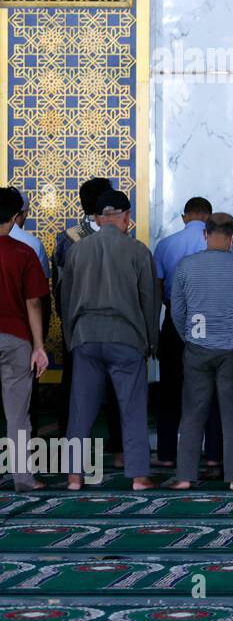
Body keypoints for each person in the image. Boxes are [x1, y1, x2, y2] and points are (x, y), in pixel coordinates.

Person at [61, 190, 160, 490]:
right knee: (132, 407)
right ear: (126, 217)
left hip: (86, 336)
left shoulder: (76, 251)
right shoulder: (139, 251)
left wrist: (70, 338)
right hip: (126, 338)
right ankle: (139, 476)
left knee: (81, 408)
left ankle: (74, 476)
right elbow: (149, 301)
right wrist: (151, 342)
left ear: (99, 218)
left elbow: (65, 300)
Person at [165, 213, 233, 491]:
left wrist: (189, 338)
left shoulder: (186, 266)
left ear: (205, 235)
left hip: (197, 348)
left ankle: (185, 476)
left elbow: (177, 310)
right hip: (232, 349)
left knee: (193, 412)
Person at [53, 177, 121, 456]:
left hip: (78, 324)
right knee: (118, 387)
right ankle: (119, 449)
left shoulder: (67, 238)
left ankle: (69, 450)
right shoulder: (121, 236)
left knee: (74, 387)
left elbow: (59, 287)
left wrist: (67, 321)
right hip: (115, 324)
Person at [153, 196, 217, 469]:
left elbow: (156, 292)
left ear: (184, 217)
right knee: (212, 386)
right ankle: (214, 452)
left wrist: (153, 331)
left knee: (170, 388)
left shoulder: (166, 245)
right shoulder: (217, 242)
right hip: (209, 321)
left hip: (174, 321)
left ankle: (167, 453)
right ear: (209, 218)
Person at [0, 187, 50, 490]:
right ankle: (23, 477)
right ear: (15, 216)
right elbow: (34, 303)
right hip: (16, 338)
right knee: (18, 412)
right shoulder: (24, 252)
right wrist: (39, 346)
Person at [8, 192, 51, 436]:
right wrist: (39, 341)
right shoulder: (30, 245)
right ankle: (25, 461)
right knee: (23, 399)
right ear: (20, 215)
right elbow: (38, 298)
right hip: (20, 331)